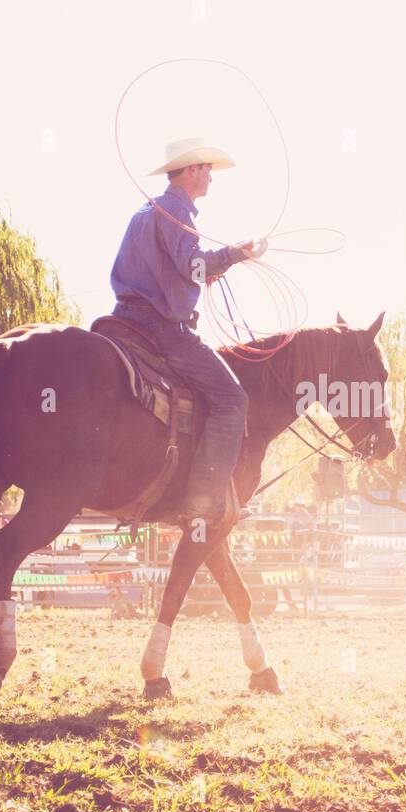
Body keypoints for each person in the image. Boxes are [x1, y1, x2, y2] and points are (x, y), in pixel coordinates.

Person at [110, 137, 265, 525]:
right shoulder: (177, 212)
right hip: (160, 328)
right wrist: (235, 255)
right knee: (232, 401)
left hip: (124, 319)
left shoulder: (145, 212)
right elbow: (192, 266)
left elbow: (173, 271)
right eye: (207, 169)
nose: (211, 177)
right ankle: (203, 499)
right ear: (192, 170)